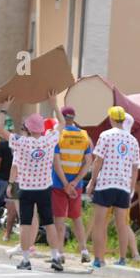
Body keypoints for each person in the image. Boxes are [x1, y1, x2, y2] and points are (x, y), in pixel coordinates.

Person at [0, 111, 62, 271]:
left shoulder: (21, 142)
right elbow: (62, 123)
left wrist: (5, 109)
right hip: (45, 188)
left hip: (26, 189)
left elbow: (0, 130)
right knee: (49, 223)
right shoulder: (49, 140)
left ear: (28, 128)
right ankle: (55, 257)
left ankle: (25, 260)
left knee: (25, 223)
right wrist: (54, 104)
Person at [86, 106, 140, 270]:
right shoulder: (132, 140)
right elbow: (135, 167)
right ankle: (122, 258)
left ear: (110, 119)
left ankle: (98, 259)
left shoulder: (105, 135)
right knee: (122, 224)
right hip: (123, 185)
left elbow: (98, 161)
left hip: (106, 183)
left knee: (99, 223)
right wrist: (131, 188)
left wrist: (92, 182)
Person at [51, 105, 94, 265]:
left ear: (61, 118)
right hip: (76, 184)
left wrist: (65, 183)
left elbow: (56, 163)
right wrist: (75, 182)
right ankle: (84, 250)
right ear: (74, 117)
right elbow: (88, 161)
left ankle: (60, 253)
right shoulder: (84, 135)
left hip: (58, 183)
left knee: (59, 220)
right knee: (76, 218)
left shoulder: (58, 135)